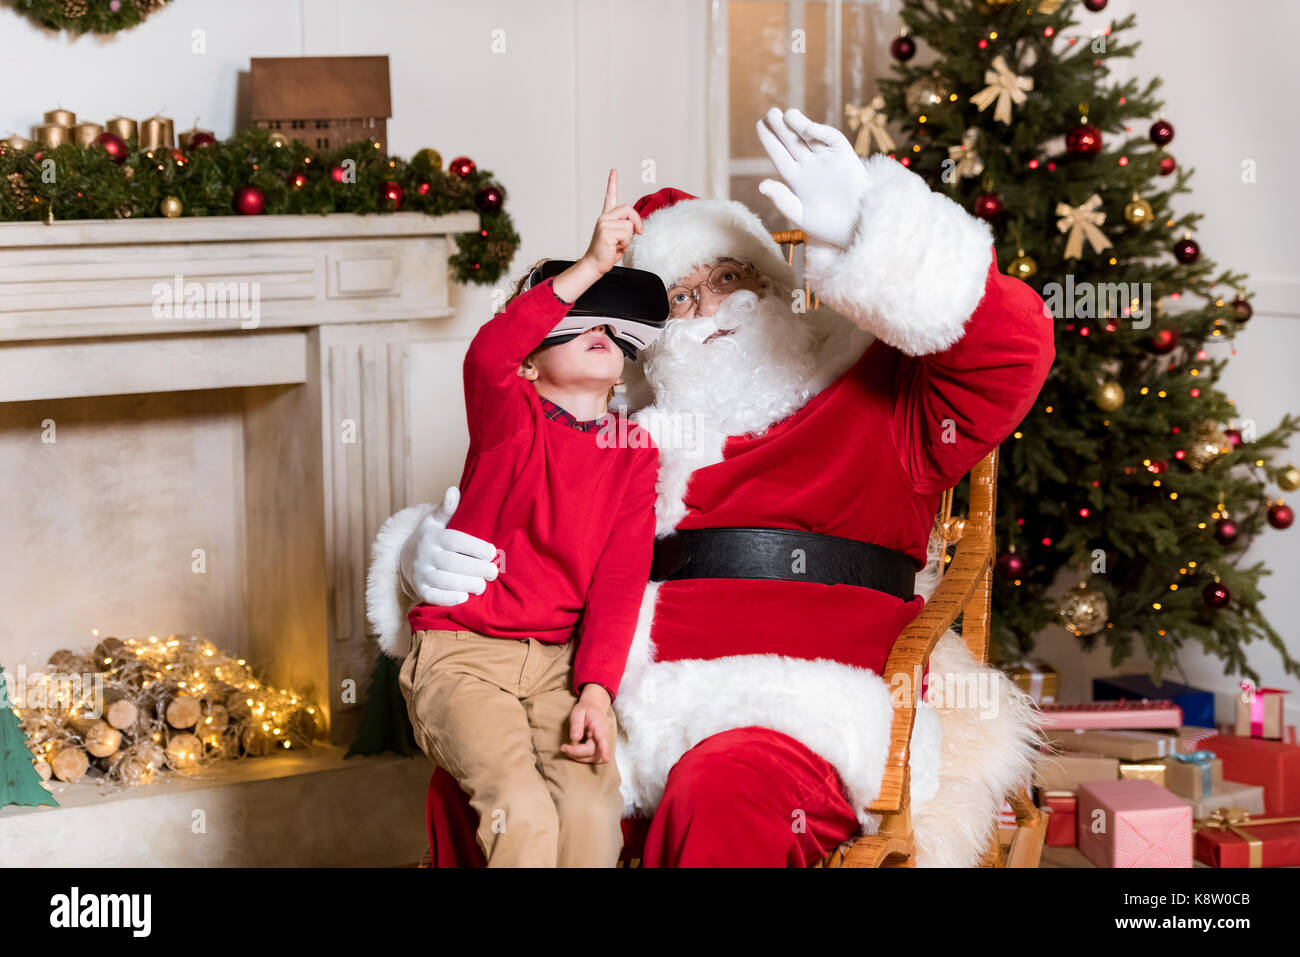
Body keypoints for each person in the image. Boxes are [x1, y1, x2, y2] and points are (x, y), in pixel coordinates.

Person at [370, 108, 1055, 867]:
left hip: (791, 716)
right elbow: (520, 506)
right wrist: (421, 555)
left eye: (729, 279)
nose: (710, 310)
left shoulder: (876, 393)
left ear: (780, 284)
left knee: (715, 789)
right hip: (618, 706)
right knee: (476, 792)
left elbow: (1012, 352)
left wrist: (879, 234)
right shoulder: (623, 435)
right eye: (681, 299)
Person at [389, 169, 661, 867]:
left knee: (593, 811)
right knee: (524, 811)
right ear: (533, 366)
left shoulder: (633, 454)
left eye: (611, 325)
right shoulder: (512, 421)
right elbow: (489, 353)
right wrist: (594, 262)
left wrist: (596, 693)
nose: (598, 329)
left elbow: (619, 583)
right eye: (578, 323)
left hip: (557, 671)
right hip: (464, 660)